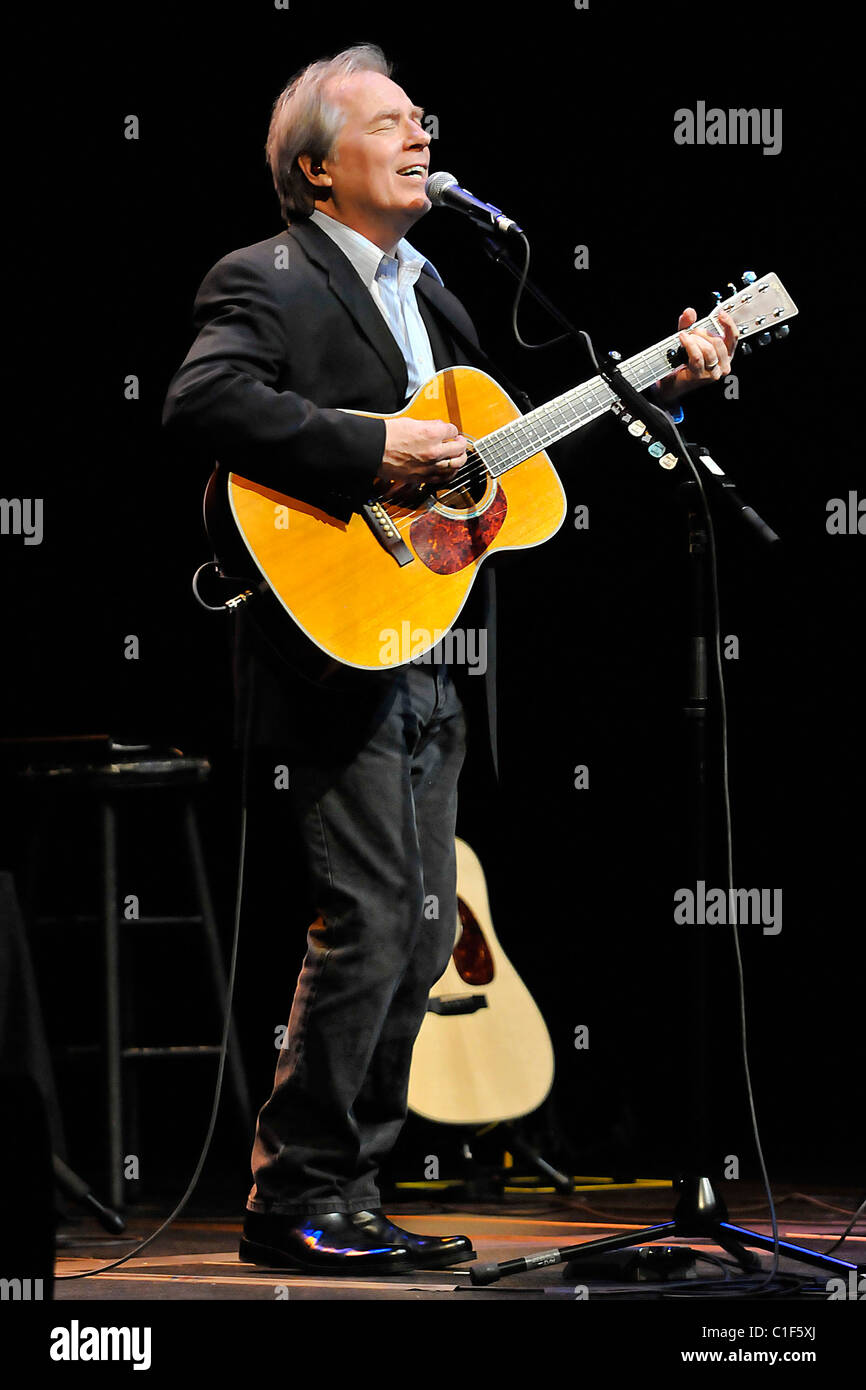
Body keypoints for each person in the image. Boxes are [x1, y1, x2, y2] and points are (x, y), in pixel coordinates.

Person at [163, 43, 737, 1275]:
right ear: (316, 169)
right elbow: (201, 407)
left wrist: (665, 391)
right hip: (328, 647)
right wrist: (374, 452)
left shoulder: (441, 301)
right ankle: (296, 1195)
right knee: (369, 920)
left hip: (423, 645)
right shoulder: (266, 276)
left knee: (422, 935)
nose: (421, 133)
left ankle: (349, 1195)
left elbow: (504, 473)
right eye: (387, 123)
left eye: (421, 116)